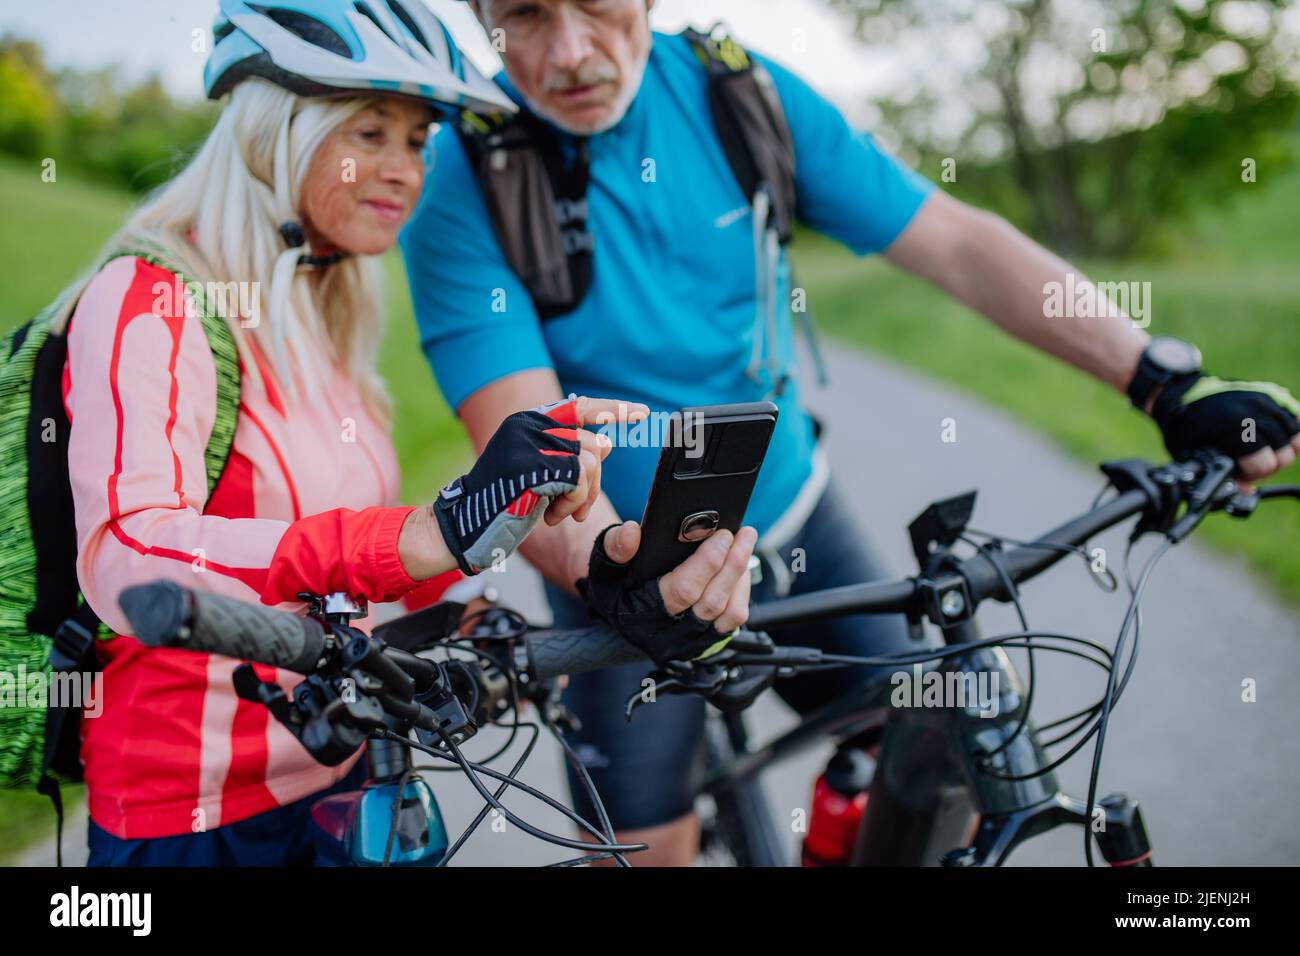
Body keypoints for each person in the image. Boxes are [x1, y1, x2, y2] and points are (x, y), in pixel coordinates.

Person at [400, 0, 1300, 866]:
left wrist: (1160, 380)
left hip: (792, 524)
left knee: (942, 754)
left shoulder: (736, 93)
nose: (568, 53)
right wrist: (611, 573)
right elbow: (525, 450)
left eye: (595, 5)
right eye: (522, 13)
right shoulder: (465, 177)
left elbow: (951, 239)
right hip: (621, 572)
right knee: (641, 852)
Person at [59, 0, 653, 867]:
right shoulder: (151, 296)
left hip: (346, 775)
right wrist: (423, 532)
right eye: (368, 132)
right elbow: (128, 553)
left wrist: (467, 614)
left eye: (415, 141)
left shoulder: (326, 316)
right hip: (190, 816)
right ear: (277, 130)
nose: (405, 170)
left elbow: (350, 565)